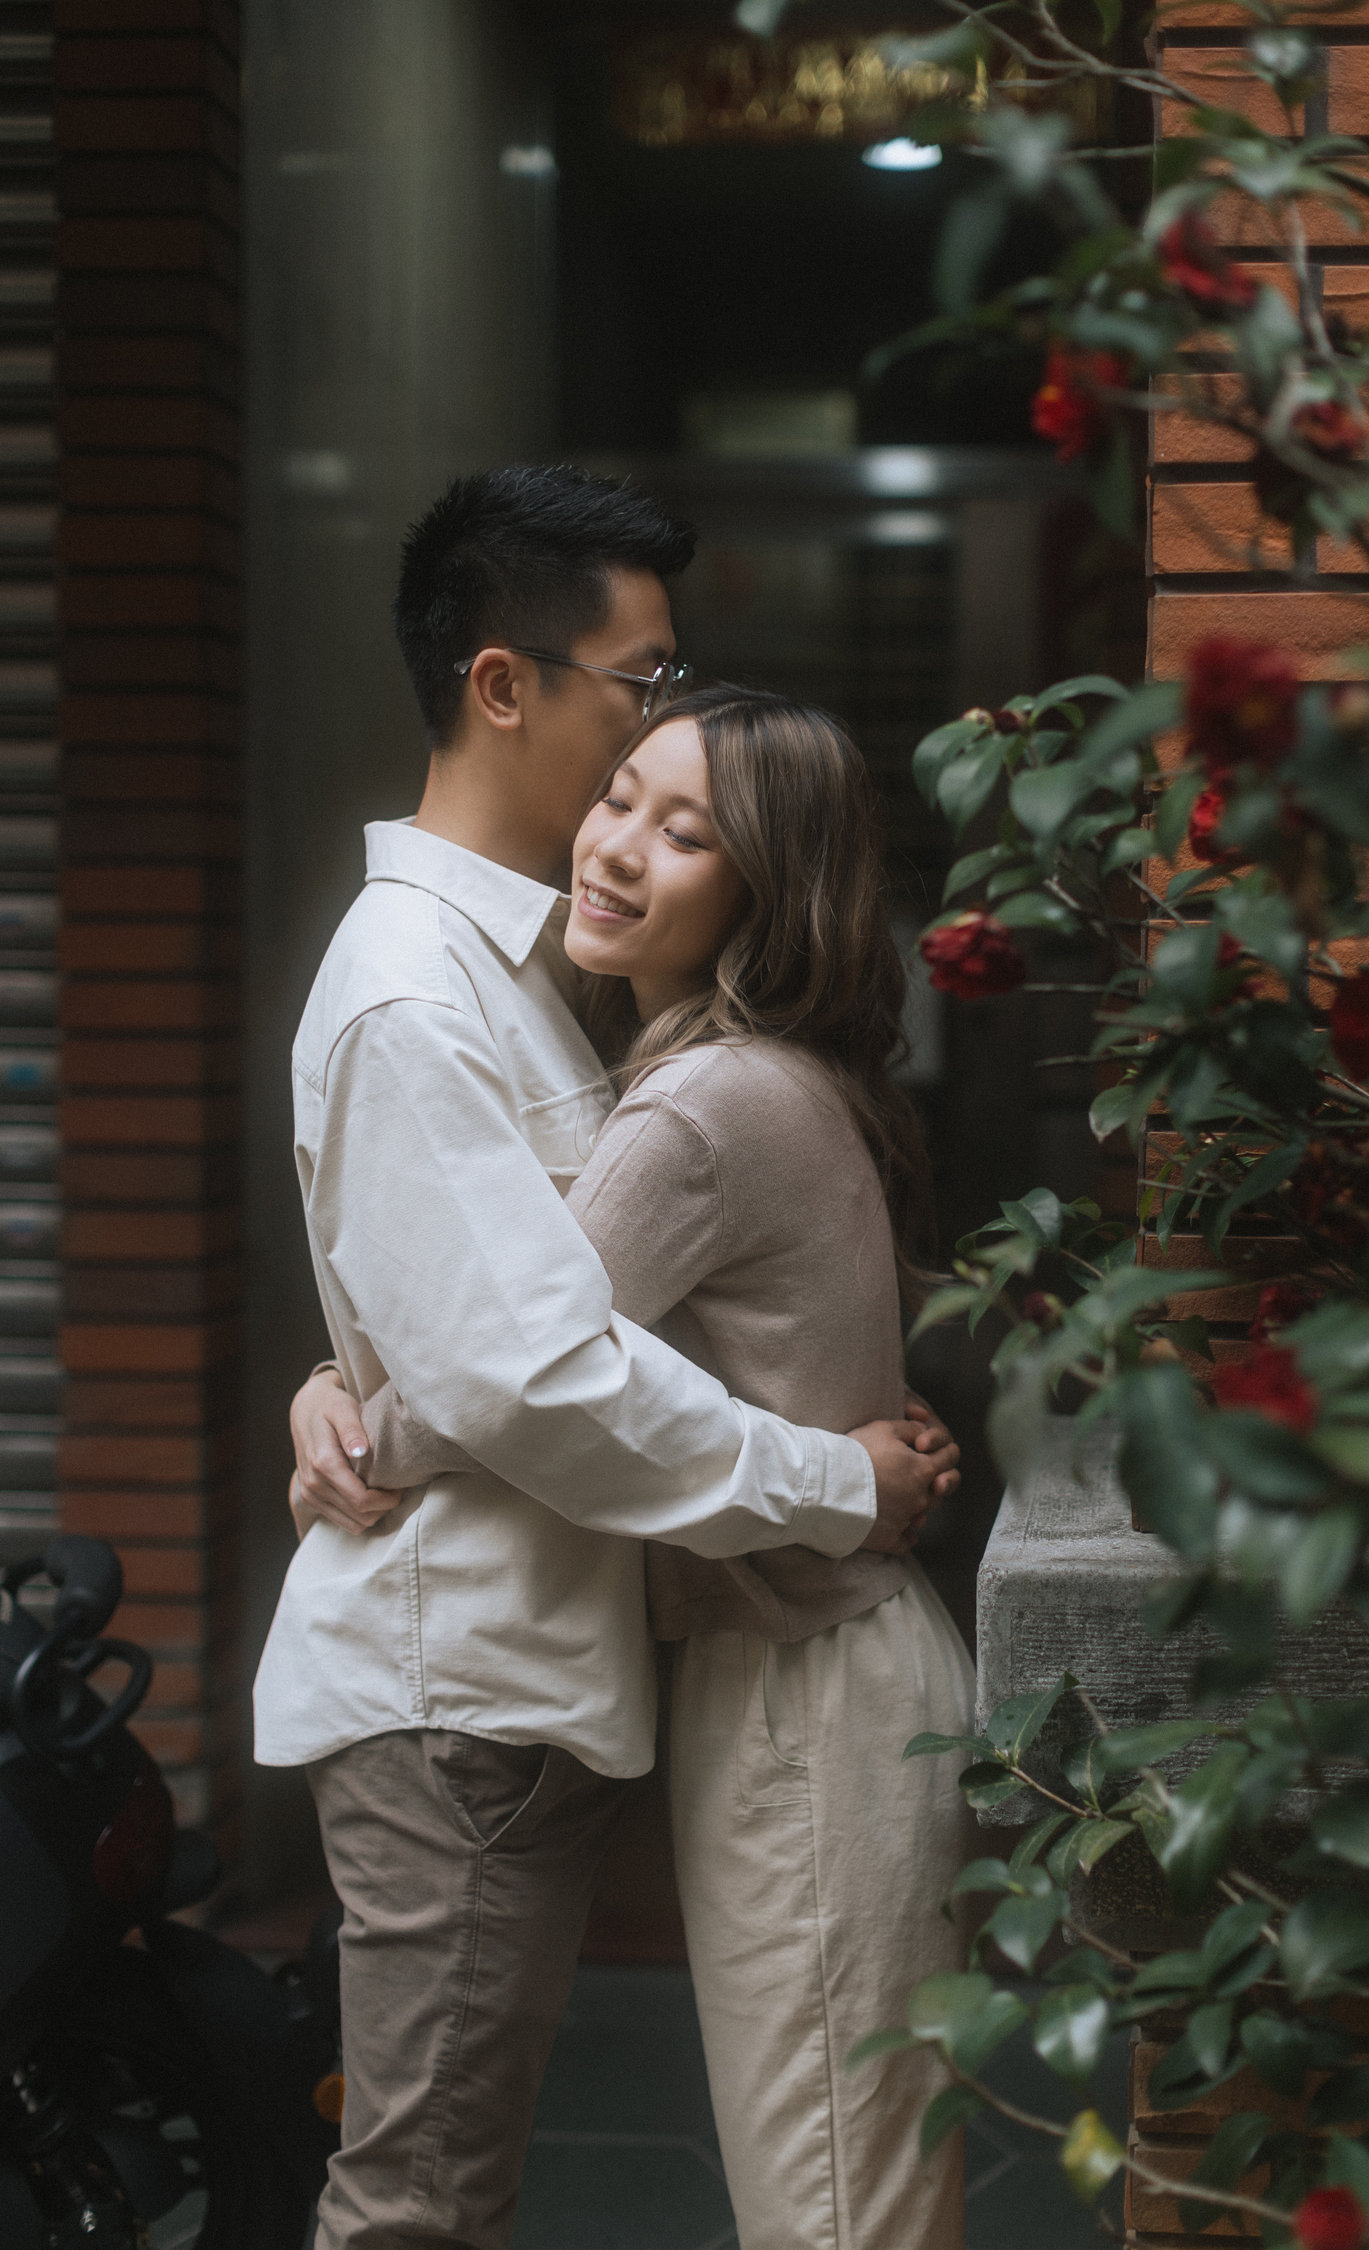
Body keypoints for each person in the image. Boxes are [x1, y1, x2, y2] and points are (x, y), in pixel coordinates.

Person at [253, 468, 955, 2250]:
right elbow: (533, 1369)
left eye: (686, 805)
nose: (654, 742)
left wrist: (355, 1392)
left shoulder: (552, 990)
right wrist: (838, 1482)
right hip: (454, 1687)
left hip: (527, 1674)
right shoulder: (427, 992)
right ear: (511, 686)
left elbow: (484, 1315)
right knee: (417, 2204)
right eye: (642, 693)